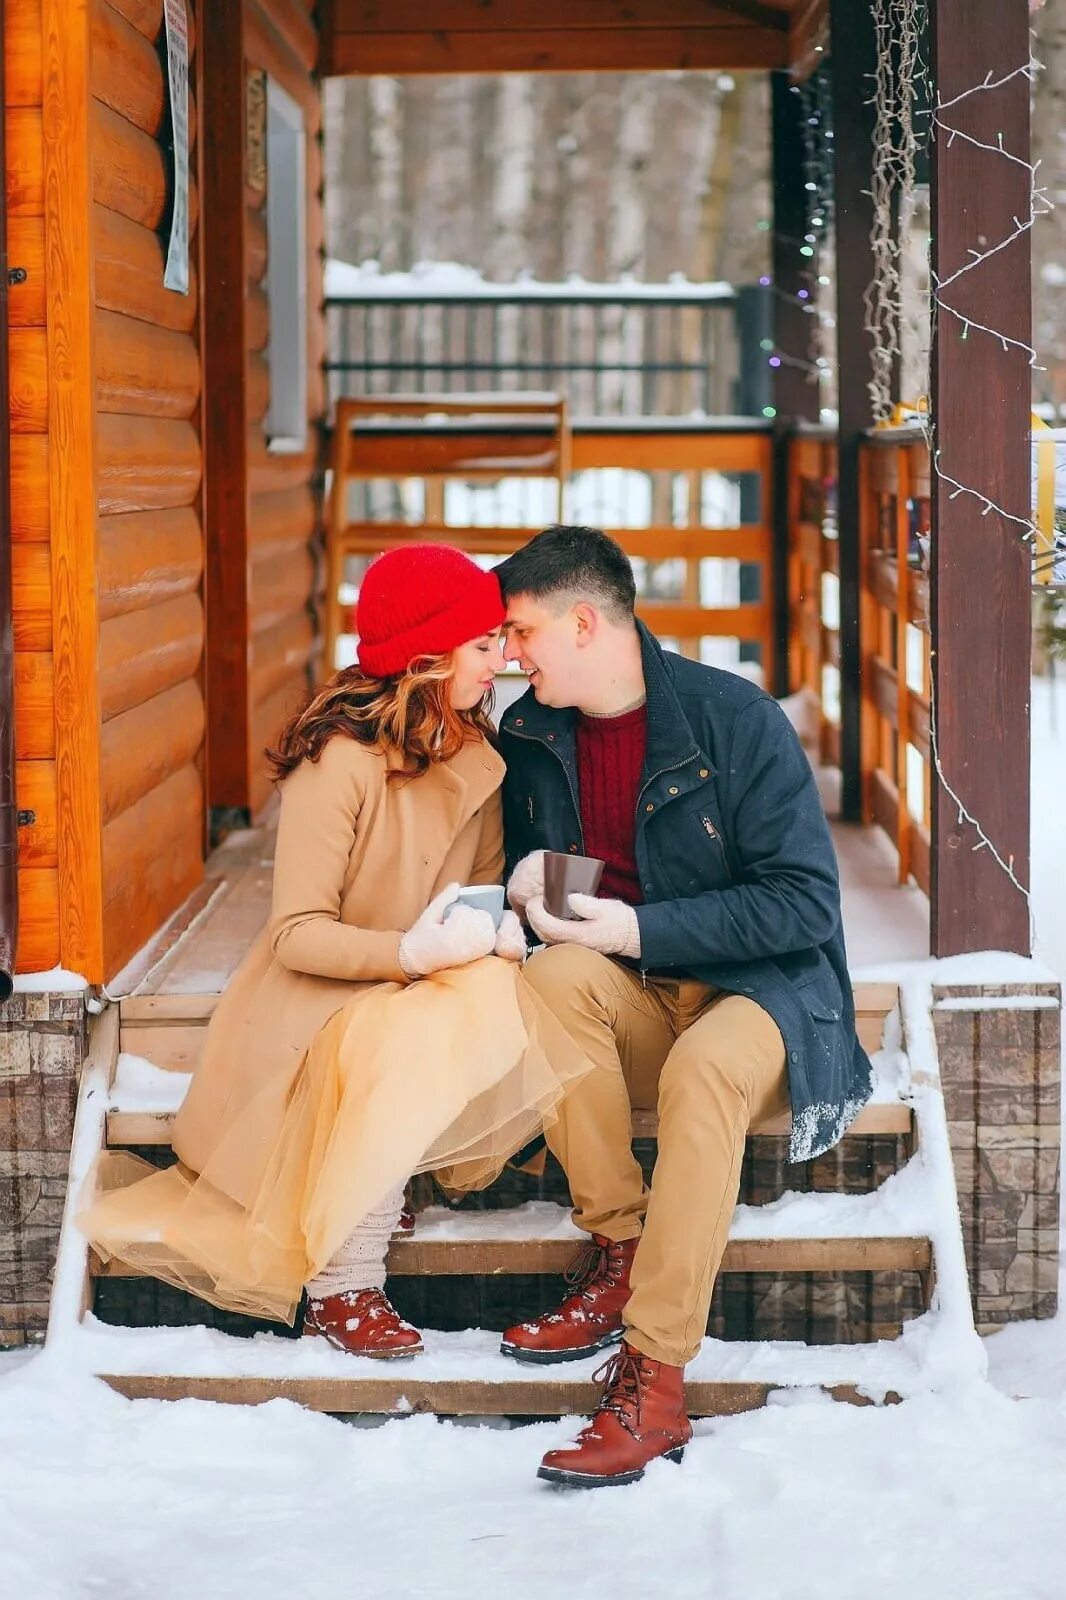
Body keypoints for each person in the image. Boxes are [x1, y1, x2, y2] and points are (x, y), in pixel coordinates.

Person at [79, 544, 591, 1359]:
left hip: (417, 980)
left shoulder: (481, 761)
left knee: (501, 1001)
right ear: (428, 660)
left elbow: (479, 886)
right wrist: (411, 952)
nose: (504, 660)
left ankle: (382, 1180)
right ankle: (341, 1282)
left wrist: (497, 925)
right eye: (484, 644)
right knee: (391, 1040)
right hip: (323, 993)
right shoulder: (341, 762)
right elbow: (297, 932)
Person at [494, 525, 873, 1488]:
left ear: (584, 622)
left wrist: (634, 930)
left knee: (706, 1070)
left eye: (522, 630)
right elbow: (581, 883)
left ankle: (655, 1378)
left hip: (765, 993)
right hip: (634, 998)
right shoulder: (532, 735)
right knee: (546, 981)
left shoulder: (733, 719)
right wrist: (531, 879)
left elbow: (803, 903)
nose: (510, 653)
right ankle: (620, 1245)